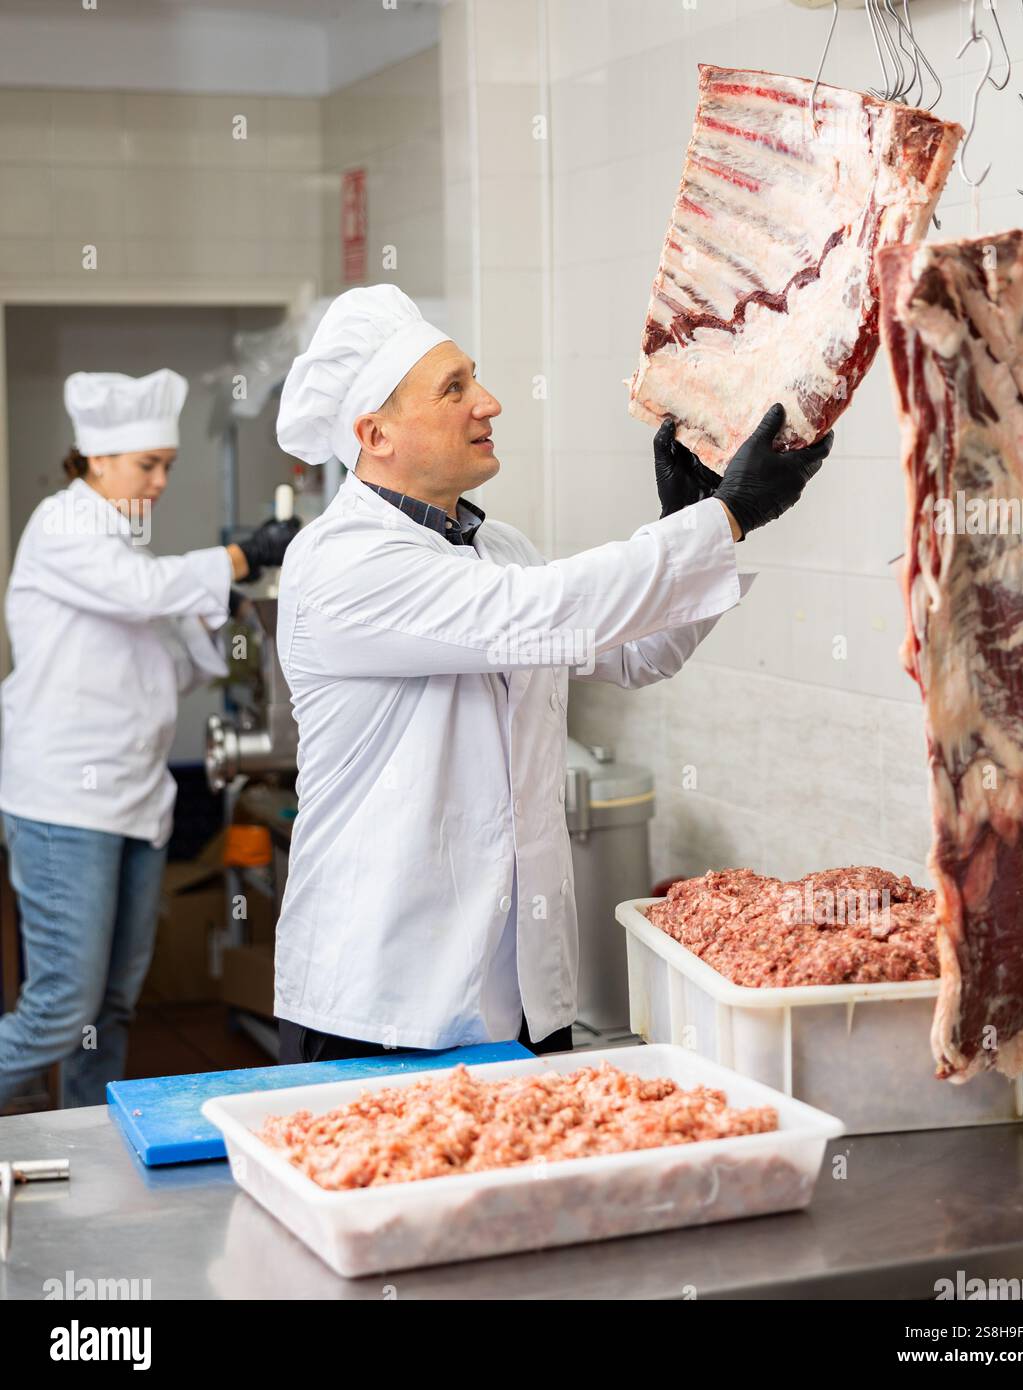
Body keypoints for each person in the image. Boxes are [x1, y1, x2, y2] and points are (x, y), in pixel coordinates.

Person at [271, 286, 832, 1064]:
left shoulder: (496, 546)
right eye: (455, 389)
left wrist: (693, 525)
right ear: (376, 433)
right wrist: (720, 519)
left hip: (524, 992)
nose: (489, 403)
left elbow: (638, 654)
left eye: (477, 377)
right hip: (386, 1004)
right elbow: (537, 613)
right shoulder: (342, 563)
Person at [0, 369, 298, 1108]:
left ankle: (84, 1149)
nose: (161, 481)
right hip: (64, 802)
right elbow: (145, 595)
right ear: (96, 459)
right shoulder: (63, 526)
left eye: (168, 465)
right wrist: (241, 557)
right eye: (148, 465)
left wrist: (226, 607)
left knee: (111, 1009)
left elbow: (169, 661)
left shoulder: (126, 546)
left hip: (134, 795)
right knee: (60, 1011)